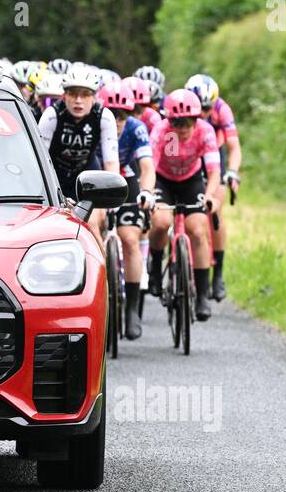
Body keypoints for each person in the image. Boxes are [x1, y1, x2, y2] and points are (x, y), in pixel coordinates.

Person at [146, 89, 221, 321]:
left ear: (197, 120)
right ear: (169, 121)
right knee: (160, 222)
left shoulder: (206, 132)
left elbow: (214, 171)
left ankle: (202, 297)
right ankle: (156, 269)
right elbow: (150, 165)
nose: (183, 128)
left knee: (198, 230)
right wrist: (148, 193)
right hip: (163, 180)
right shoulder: (161, 132)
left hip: (191, 180)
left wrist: (210, 196)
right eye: (177, 123)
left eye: (189, 122)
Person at [99, 81, 155, 340]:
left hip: (127, 181)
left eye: (123, 116)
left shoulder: (137, 128)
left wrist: (146, 192)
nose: (118, 121)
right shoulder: (94, 123)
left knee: (130, 240)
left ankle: (132, 309)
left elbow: (146, 167)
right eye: (113, 114)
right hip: (97, 179)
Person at [187, 73, 241, 301]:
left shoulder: (222, 109)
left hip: (212, 155)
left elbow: (234, 147)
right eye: (198, 110)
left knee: (215, 208)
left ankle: (217, 273)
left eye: (206, 110)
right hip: (187, 156)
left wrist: (233, 173)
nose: (202, 115)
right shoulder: (180, 104)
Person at [37, 64, 118, 211]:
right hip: (55, 172)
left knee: (94, 220)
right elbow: (40, 160)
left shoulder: (104, 116)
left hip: (87, 172)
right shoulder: (51, 115)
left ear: (94, 97)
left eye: (85, 94)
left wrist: (112, 196)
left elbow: (111, 162)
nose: (78, 100)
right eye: (73, 94)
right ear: (64, 95)